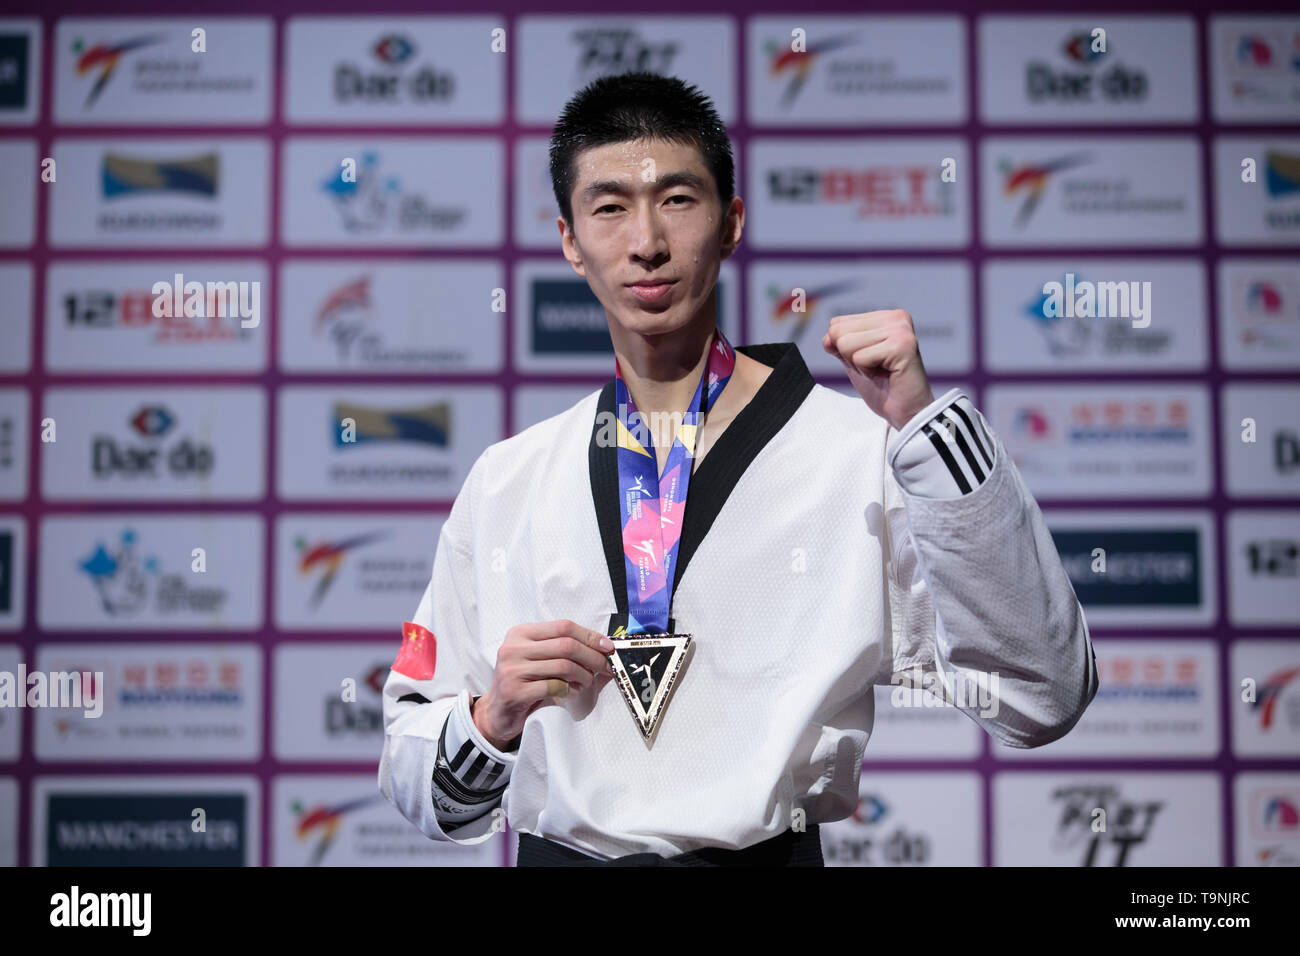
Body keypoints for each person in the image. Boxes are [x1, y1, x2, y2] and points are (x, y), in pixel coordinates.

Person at [378, 71, 1098, 867]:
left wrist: (927, 428)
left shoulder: (859, 454)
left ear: (731, 222)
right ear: (569, 241)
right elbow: (417, 778)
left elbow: (1043, 693)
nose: (646, 241)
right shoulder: (508, 480)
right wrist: (490, 721)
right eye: (609, 208)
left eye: (678, 199)